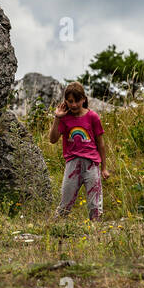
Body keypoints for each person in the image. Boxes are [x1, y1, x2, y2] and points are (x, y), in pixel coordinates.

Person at [48, 82, 110, 221]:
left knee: (95, 204)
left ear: (84, 99)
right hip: (72, 164)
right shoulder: (64, 118)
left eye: (77, 101)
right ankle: (54, 228)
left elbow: (101, 144)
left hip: (92, 164)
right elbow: (52, 140)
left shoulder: (93, 117)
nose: (74, 105)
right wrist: (57, 118)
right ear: (65, 102)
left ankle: (96, 233)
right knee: (65, 202)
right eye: (70, 101)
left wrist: (104, 168)